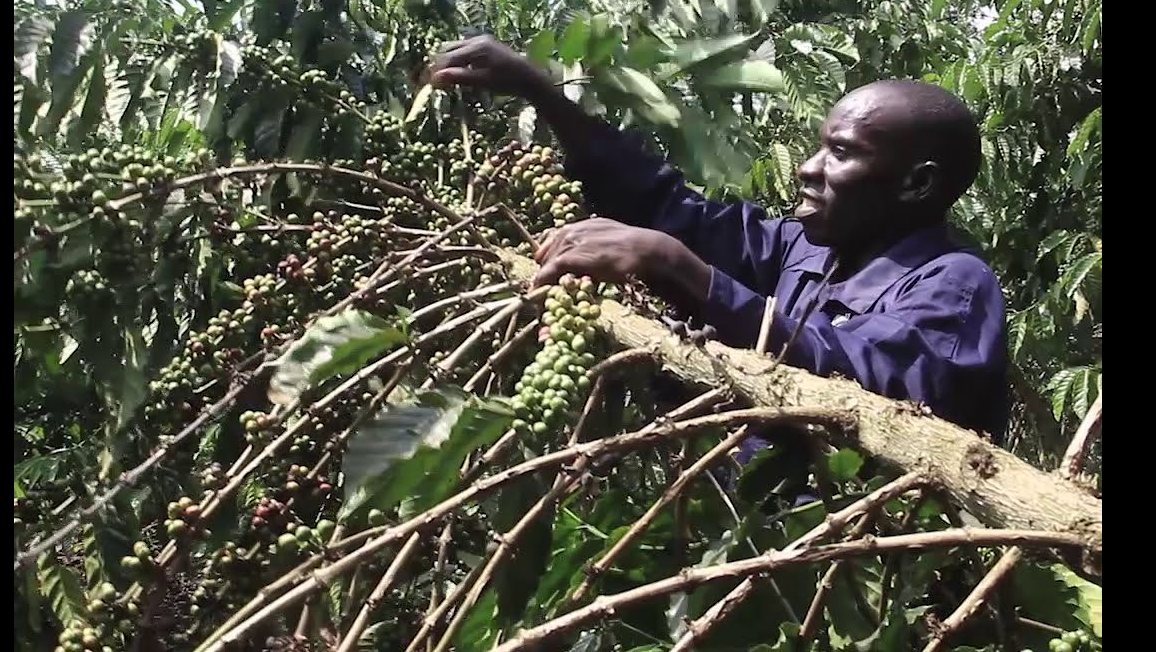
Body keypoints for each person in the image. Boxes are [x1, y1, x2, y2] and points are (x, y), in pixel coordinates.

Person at [424, 36, 1010, 477]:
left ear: (916, 184)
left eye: (839, 152)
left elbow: (878, 386)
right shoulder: (804, 248)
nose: (808, 168)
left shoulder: (953, 285)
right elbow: (668, 207)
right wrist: (542, 93)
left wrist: (679, 267)